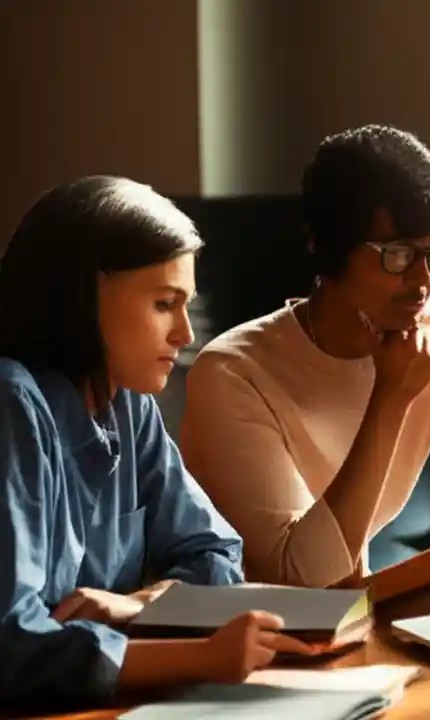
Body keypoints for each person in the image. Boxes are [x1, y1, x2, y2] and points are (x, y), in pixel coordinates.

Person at [180, 125, 430, 590]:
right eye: (398, 255)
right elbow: (304, 581)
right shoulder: (233, 374)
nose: (422, 281)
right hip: (263, 622)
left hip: (359, 612)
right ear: (327, 244)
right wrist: (391, 397)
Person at [0, 177, 315, 709]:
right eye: (165, 303)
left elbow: (214, 553)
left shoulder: (128, 404)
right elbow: (11, 643)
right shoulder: (12, 404)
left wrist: (140, 605)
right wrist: (200, 658)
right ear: (81, 296)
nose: (185, 334)